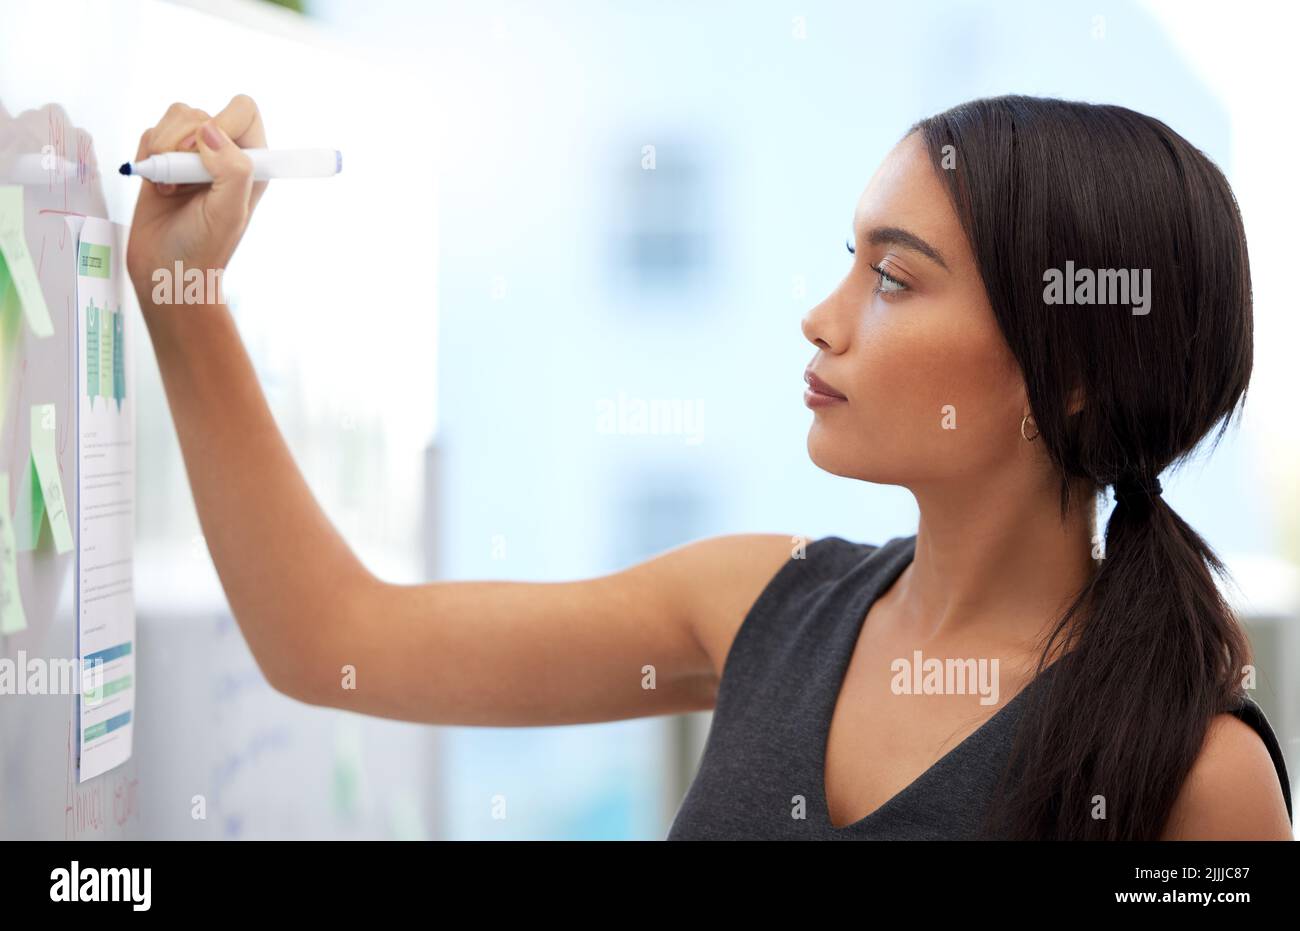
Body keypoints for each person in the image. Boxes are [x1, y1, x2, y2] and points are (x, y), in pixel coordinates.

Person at [125, 94, 1293, 840]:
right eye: (850, 261)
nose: (821, 318)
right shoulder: (752, 605)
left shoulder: (1198, 778)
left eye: (893, 278)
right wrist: (184, 298)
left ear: (1071, 372)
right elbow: (334, 638)